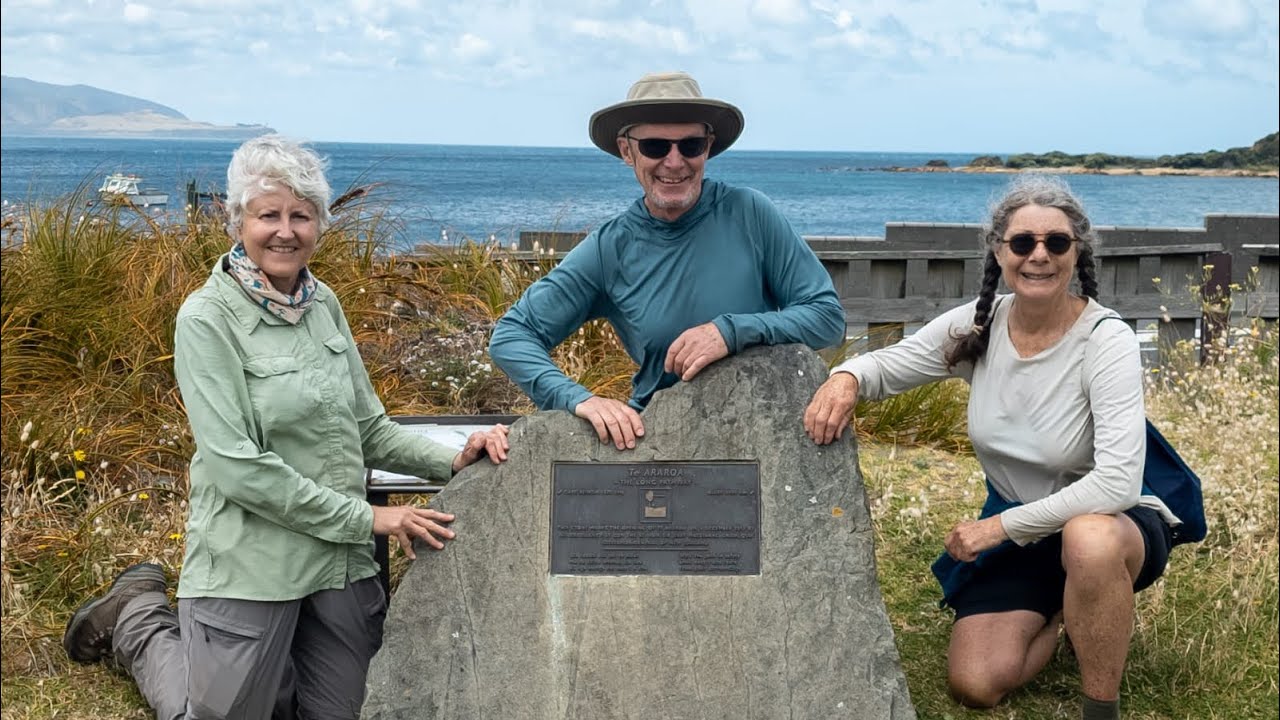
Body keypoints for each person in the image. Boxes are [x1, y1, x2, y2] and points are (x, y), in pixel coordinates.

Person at [61, 135, 511, 720]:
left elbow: (369, 429)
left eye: (301, 215)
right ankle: (138, 619)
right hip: (252, 562)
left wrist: (452, 459)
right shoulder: (206, 318)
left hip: (334, 563)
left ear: (319, 225)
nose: (285, 230)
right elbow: (237, 469)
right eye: (267, 214)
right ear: (237, 222)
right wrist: (373, 517)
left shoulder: (322, 305)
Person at [803, 176, 1179, 720]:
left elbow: (1117, 484)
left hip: (1113, 524)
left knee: (1088, 539)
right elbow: (892, 363)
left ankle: (1101, 705)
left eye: (1057, 242)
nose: (1039, 256)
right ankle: (1068, 612)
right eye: (1023, 243)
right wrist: (846, 377)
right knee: (975, 684)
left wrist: (995, 529)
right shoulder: (981, 323)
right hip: (1025, 528)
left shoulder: (1106, 339)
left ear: (1078, 253)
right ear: (999, 252)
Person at [489, 71, 845, 448]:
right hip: (658, 445)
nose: (674, 162)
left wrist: (729, 332)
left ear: (708, 146)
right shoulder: (612, 247)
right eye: (656, 147)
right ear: (627, 151)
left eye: (690, 145)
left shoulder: (750, 213)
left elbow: (826, 319)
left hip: (760, 435)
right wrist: (579, 400)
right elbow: (512, 336)